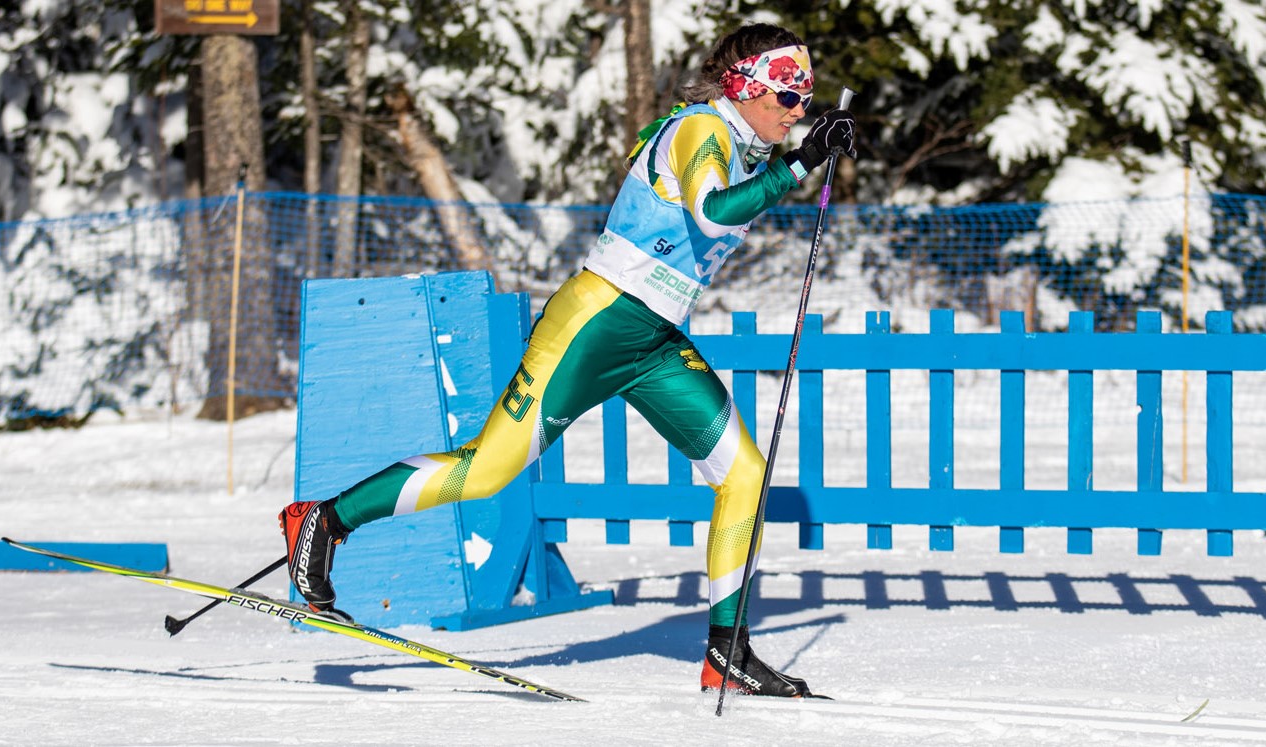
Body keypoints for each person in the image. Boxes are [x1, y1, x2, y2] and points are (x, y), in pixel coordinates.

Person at [279, 22, 857, 698]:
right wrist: (802, 161)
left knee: (745, 475)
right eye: (788, 96)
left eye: (807, 99)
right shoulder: (703, 128)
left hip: (653, 337)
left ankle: (727, 650)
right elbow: (711, 214)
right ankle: (324, 519)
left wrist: (804, 153)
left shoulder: (746, 147)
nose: (799, 110)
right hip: (597, 321)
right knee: (487, 470)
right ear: (744, 86)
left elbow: (742, 192)